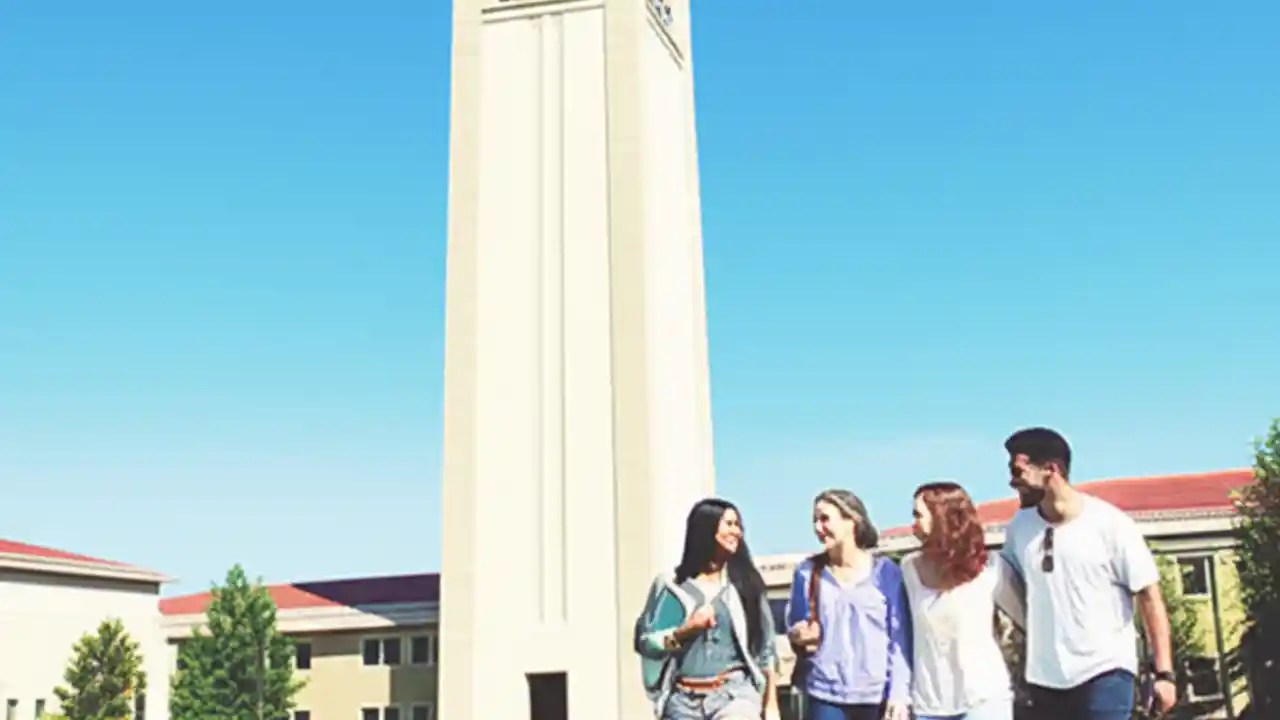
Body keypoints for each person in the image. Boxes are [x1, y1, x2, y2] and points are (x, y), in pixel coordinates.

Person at [999, 427, 1177, 719]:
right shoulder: (1019, 528)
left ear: (1050, 469)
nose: (1012, 481)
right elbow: (1006, 584)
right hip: (1044, 678)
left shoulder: (1110, 524)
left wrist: (1164, 673)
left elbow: (1149, 596)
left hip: (1105, 672)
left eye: (1018, 471)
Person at [634, 498, 782, 720]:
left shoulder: (745, 585)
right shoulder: (673, 587)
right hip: (682, 700)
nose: (736, 532)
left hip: (734, 694)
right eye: (729, 524)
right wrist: (685, 631)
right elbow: (647, 645)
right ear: (706, 529)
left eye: (738, 525)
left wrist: (771, 706)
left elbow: (766, 650)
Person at [900, 481, 1026, 720]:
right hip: (929, 706)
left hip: (983, 700)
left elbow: (1025, 619)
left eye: (919, 515)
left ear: (942, 516)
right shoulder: (909, 568)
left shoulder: (991, 567)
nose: (913, 524)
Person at [785, 489, 912, 720]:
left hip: (876, 697)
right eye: (814, 520)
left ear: (851, 520)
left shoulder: (887, 573)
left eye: (824, 519)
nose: (817, 528)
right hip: (824, 695)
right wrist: (798, 634)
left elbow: (899, 639)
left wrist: (899, 694)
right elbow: (795, 624)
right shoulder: (807, 572)